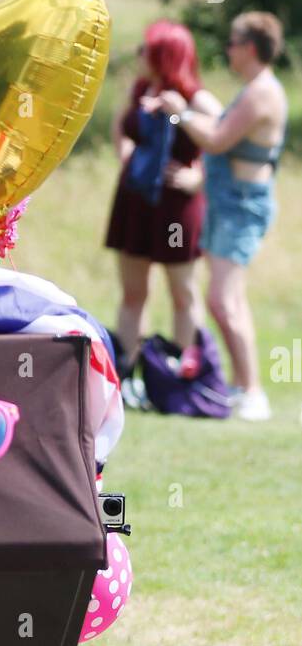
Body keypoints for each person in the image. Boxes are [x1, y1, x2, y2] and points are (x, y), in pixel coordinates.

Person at [145, 12, 287, 422]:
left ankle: (253, 392)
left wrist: (179, 112)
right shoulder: (254, 89)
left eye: (233, 42)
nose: (228, 49)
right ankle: (245, 387)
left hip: (241, 206)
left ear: (250, 47)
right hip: (230, 204)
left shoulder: (261, 92)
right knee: (231, 300)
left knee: (221, 300)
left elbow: (219, 140)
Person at [105, 21, 221, 406]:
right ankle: (125, 376)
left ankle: (181, 377)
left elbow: (227, 143)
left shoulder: (197, 98)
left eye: (148, 50)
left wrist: (198, 176)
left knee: (183, 293)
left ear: (166, 56)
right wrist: (124, 150)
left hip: (176, 207)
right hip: (135, 201)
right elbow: (121, 125)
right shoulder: (140, 90)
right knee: (133, 292)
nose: (140, 56)